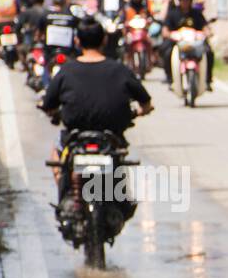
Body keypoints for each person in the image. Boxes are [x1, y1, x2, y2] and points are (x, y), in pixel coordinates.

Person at [39, 19, 152, 182]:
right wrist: (139, 112)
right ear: (104, 40)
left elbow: (48, 104)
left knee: (57, 150)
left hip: (76, 138)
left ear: (77, 41)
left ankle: (65, 192)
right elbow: (145, 102)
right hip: (112, 138)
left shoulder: (66, 71)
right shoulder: (120, 70)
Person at [161, 0, 213, 90]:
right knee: (166, 52)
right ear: (178, 0)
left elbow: (205, 27)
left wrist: (207, 33)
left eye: (187, 0)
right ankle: (170, 79)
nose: (185, 2)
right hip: (177, 42)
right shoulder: (172, 13)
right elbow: (165, 30)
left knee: (208, 52)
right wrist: (171, 35)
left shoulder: (196, 13)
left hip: (194, 42)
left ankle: (207, 80)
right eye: (182, 0)